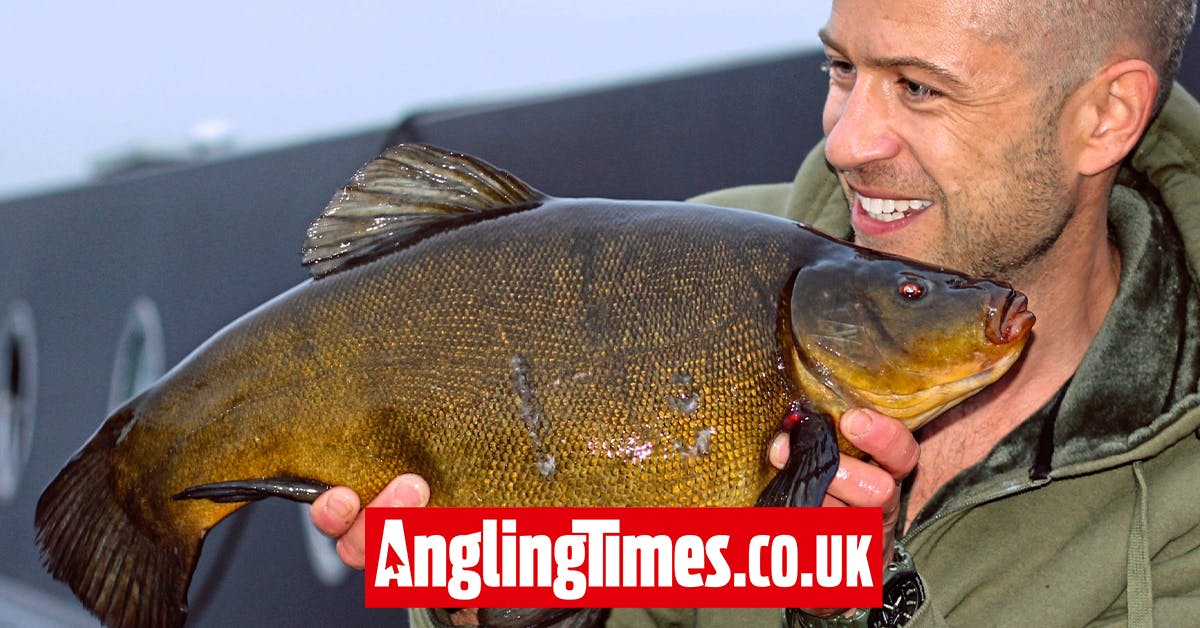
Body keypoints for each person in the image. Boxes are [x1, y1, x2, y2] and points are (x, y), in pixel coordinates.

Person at [311, 0, 1200, 625]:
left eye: (919, 89)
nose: (847, 140)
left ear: (1106, 115)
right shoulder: (687, 269)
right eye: (843, 68)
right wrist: (498, 599)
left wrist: (843, 601)